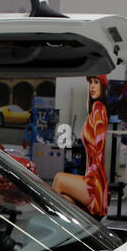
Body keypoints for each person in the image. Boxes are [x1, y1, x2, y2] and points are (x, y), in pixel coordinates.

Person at [51, 74, 109, 217]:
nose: (92, 86)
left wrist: (91, 179)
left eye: (97, 82)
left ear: (103, 86)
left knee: (59, 179)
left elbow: (99, 149)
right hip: (93, 179)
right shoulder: (95, 110)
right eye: (91, 82)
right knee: (65, 199)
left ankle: (49, 223)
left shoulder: (99, 109)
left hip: (94, 182)